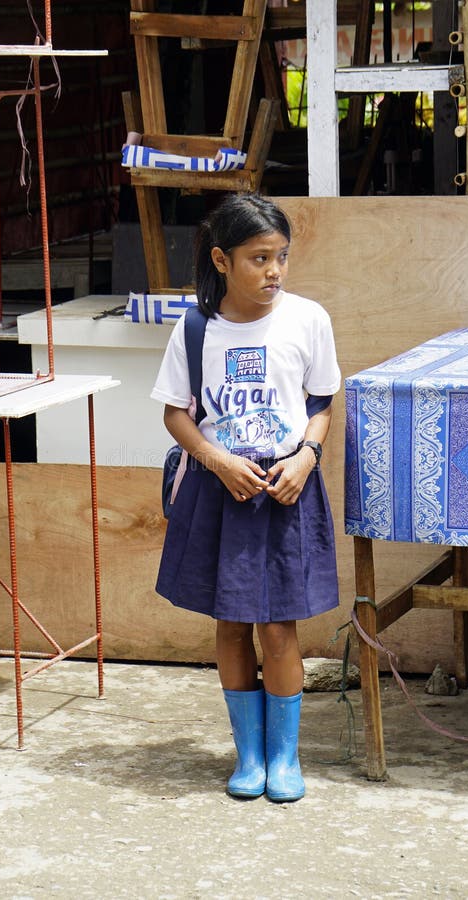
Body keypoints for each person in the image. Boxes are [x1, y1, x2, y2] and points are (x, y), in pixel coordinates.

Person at [151, 193, 341, 802]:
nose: (274, 271)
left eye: (281, 256)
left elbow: (321, 405)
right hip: (219, 489)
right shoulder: (196, 328)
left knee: (279, 628)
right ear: (222, 260)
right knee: (231, 626)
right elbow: (176, 414)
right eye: (259, 258)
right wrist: (217, 460)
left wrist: (305, 459)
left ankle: (285, 759)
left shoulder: (308, 318)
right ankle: (249, 757)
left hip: (283, 491)